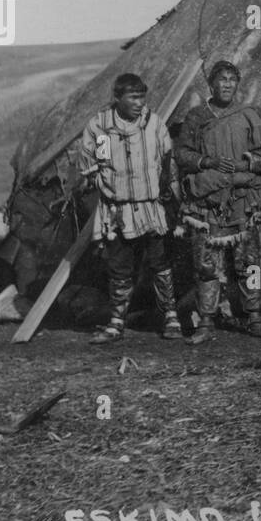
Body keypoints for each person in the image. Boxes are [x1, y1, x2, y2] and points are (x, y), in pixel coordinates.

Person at [175, 60, 261, 342]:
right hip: (207, 202)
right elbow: (181, 155)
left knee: (251, 263)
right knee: (206, 266)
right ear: (211, 84)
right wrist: (206, 161)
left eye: (232, 79)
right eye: (222, 79)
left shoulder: (249, 116)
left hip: (243, 201)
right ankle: (206, 322)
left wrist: (250, 162)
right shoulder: (197, 117)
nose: (227, 84)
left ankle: (254, 317)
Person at [78, 73, 180, 344]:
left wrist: (171, 197)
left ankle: (170, 315)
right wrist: (106, 185)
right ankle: (116, 322)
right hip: (118, 211)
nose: (139, 103)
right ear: (117, 98)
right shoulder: (101, 128)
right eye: (133, 97)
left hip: (151, 207)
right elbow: (92, 167)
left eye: (142, 97)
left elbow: (168, 161)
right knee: (120, 267)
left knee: (161, 262)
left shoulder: (154, 124)